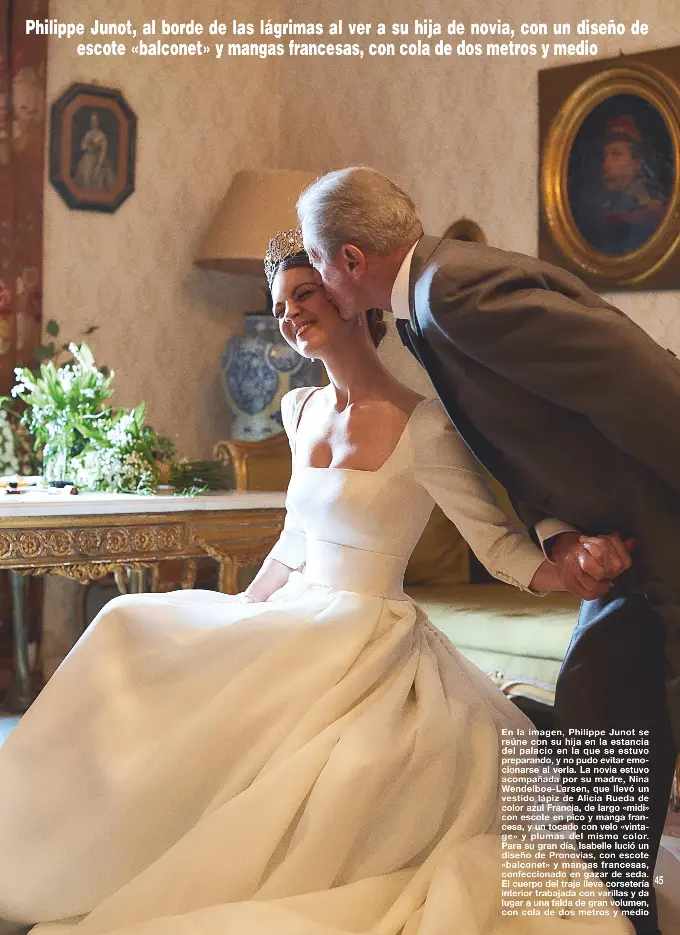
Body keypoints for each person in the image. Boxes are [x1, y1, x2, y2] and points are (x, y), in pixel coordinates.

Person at [0, 231, 633, 935]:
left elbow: (496, 543)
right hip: (295, 608)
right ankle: (46, 846)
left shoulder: (426, 426)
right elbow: (294, 539)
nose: (291, 313)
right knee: (127, 623)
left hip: (369, 633)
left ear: (350, 295)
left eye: (306, 293)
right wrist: (239, 612)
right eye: (279, 305)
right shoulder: (298, 411)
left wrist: (569, 573)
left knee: (339, 771)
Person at [297, 167, 680, 935]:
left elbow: (632, 375)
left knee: (598, 703)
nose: (311, 287)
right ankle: (617, 917)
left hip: (662, 529)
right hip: (624, 549)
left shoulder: (452, 292)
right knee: (599, 703)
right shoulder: (429, 302)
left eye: (315, 263)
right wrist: (563, 536)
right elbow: (536, 437)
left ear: (349, 260)